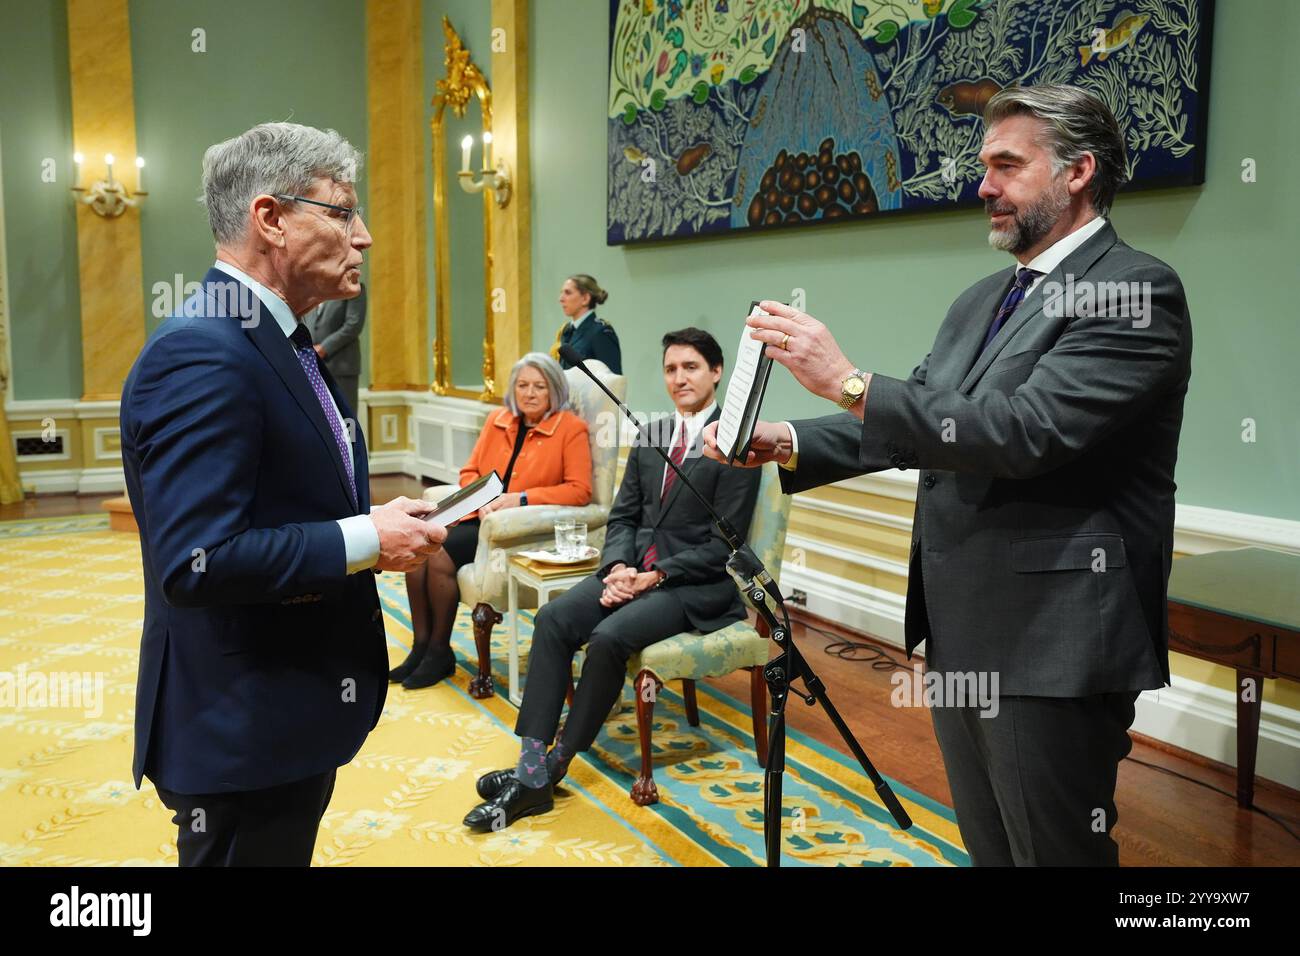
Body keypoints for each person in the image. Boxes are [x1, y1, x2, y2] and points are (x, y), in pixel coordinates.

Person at [703, 85, 1192, 867]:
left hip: (1051, 640)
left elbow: (1029, 431)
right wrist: (787, 438)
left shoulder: (1135, 291)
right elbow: (926, 422)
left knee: (1053, 851)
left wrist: (848, 382)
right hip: (963, 624)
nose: (983, 186)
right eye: (983, 165)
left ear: (1078, 173)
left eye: (1006, 165)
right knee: (992, 846)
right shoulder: (983, 299)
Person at [120, 122, 446, 866]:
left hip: (283, 710)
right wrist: (364, 539)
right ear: (270, 219)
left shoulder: (273, 338)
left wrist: (375, 530)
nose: (362, 236)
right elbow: (197, 561)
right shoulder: (205, 351)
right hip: (241, 722)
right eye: (341, 212)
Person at [463, 328, 761, 832]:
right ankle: (531, 766)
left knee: (607, 638)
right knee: (555, 618)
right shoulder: (652, 433)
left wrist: (655, 576)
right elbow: (622, 516)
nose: (679, 378)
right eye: (670, 369)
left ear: (716, 372)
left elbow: (722, 546)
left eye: (690, 367)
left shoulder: (735, 447)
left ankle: (554, 767)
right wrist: (620, 567)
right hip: (633, 571)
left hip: (693, 586)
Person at [391, 352, 593, 688]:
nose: (529, 393)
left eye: (539, 387)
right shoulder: (498, 419)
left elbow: (579, 490)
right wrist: (483, 500)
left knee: (439, 555)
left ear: (554, 390)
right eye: (522, 385)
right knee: (419, 547)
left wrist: (521, 498)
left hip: (519, 530)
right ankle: (421, 646)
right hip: (480, 519)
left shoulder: (571, 429)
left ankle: (440, 651)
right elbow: (470, 471)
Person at [306, 280, 366, 413]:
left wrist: (324, 348)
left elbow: (353, 325)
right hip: (313, 368)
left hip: (341, 368)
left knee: (345, 421)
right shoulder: (312, 290)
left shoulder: (353, 287)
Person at [551, 274, 621, 374]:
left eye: (568, 293)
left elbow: (613, 380)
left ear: (585, 299)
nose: (561, 299)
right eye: (562, 293)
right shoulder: (566, 330)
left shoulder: (601, 332)